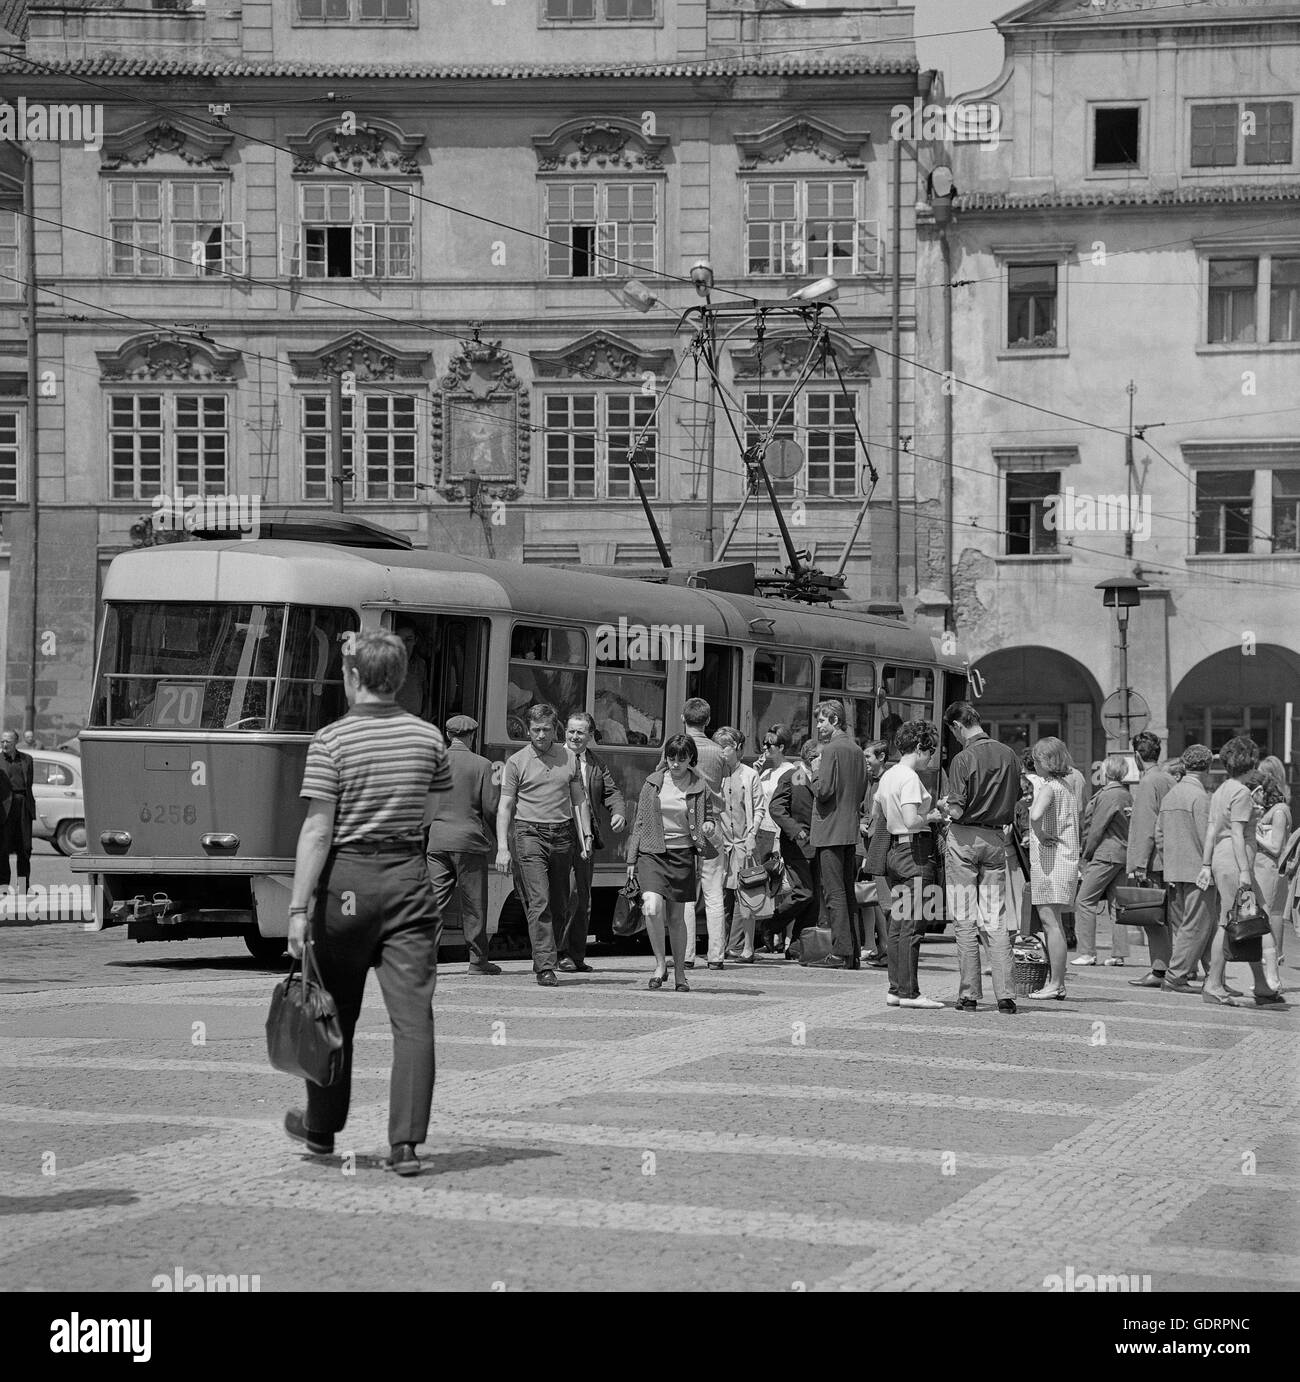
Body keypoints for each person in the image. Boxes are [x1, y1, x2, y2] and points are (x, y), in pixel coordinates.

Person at [284, 630, 451, 1178]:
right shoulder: (428, 739)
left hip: (346, 886)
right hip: (407, 879)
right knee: (413, 1019)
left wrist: (297, 909)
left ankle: (322, 1130)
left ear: (353, 676)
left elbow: (316, 830)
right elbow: (430, 808)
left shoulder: (331, 741)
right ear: (401, 678)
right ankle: (405, 1143)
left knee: (333, 1011)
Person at [495, 703, 591, 988]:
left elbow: (579, 800)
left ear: (554, 729)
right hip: (529, 834)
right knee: (540, 901)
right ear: (528, 729)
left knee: (562, 904)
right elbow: (505, 806)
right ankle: (545, 966)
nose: (540, 734)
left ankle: (549, 951)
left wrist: (585, 835)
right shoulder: (517, 761)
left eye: (546, 729)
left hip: (563, 835)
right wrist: (503, 846)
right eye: (535, 729)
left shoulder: (569, 758)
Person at [941, 702, 1023, 1012]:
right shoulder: (1009, 755)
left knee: (965, 919)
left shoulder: (963, 758)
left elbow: (957, 809)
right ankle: (1005, 995)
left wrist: (942, 807)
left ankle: (969, 994)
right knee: (996, 919)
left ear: (957, 727)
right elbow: (1015, 801)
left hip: (964, 840)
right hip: (995, 840)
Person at [626, 733, 717, 991]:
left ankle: (679, 973)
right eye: (671, 758)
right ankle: (659, 965)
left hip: (683, 854)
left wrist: (708, 825)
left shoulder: (699, 786)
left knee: (677, 918)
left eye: (682, 759)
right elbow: (640, 822)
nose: (675, 764)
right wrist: (631, 858)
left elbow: (708, 816)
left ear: (691, 759)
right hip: (652, 853)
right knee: (652, 906)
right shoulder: (653, 783)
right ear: (665, 758)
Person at [1198, 735, 1284, 1007]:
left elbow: (1212, 830)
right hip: (1237, 862)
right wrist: (1245, 872)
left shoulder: (1222, 789)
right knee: (1236, 920)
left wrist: (1206, 864)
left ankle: (1260, 984)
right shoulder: (1243, 792)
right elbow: (1237, 833)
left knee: (1249, 919)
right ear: (1251, 762)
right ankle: (1214, 983)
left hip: (1223, 859)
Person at [876, 719, 946, 1008]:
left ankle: (896, 988)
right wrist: (932, 816)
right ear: (919, 747)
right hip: (915, 852)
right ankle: (910, 992)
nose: (931, 758)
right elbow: (910, 820)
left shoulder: (889, 775)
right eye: (930, 752)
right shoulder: (910, 778)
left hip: (895, 851)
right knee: (913, 926)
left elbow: (877, 810)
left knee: (898, 924)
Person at [425, 714, 500, 977]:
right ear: (472, 736)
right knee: (473, 904)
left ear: (448, 735)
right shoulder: (484, 766)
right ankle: (478, 962)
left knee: (434, 902)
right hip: (469, 842)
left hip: (437, 841)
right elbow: (491, 809)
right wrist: (500, 840)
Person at [561, 711, 626, 973]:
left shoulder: (596, 763)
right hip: (557, 834)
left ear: (590, 736)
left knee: (581, 895)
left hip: (585, 838)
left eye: (580, 732)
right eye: (571, 731)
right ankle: (558, 952)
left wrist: (618, 811)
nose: (575, 737)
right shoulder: (554, 759)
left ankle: (575, 955)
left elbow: (611, 792)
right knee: (564, 895)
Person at [807, 699, 869, 970]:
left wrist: (815, 771)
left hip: (830, 828)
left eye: (821, 720)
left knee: (834, 893)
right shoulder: (856, 750)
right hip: (849, 828)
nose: (818, 725)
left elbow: (824, 791)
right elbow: (862, 788)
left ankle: (841, 952)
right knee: (847, 892)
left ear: (834, 720)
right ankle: (852, 951)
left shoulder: (831, 749)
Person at [1154, 744, 1217, 994]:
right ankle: (1176, 975)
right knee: (1197, 925)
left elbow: (1158, 834)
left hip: (1175, 868)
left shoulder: (1172, 794)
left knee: (1198, 924)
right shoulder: (1200, 797)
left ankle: (1214, 975)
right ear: (1209, 767)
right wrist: (1209, 865)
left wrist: (1168, 860)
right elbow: (1207, 837)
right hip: (1198, 870)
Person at [1025, 737, 1082, 1000]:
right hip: (1066, 859)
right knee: (1055, 922)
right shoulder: (1066, 786)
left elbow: (1035, 815)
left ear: (1046, 762)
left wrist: (1039, 831)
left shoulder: (1049, 787)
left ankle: (1056, 982)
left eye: (1037, 760)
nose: (1035, 765)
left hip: (1051, 862)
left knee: (1051, 924)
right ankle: (1057, 981)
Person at [1125, 731, 1179, 989]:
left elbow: (1147, 826)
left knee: (1153, 918)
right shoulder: (1168, 778)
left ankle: (1159, 969)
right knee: (1169, 918)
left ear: (1137, 756)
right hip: (1169, 858)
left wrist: (1138, 864)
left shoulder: (1148, 782)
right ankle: (1173, 967)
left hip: (1153, 861)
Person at [680, 697, 728, 967]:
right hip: (714, 824)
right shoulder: (718, 751)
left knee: (687, 892)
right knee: (713, 892)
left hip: (684, 822)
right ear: (708, 721)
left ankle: (686, 956)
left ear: (683, 718)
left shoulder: (675, 746)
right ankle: (716, 956)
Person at [1073, 755, 1134, 966]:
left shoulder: (1109, 795)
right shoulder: (1126, 794)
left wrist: (1085, 854)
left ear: (1105, 772)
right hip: (1122, 854)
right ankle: (1118, 954)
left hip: (1105, 853)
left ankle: (1087, 952)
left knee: (1084, 900)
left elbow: (1096, 827)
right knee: (1117, 906)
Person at [715, 726, 764, 964]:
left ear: (737, 749)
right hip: (722, 843)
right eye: (719, 746)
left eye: (725, 746)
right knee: (721, 896)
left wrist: (753, 834)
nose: (721, 751)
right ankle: (721, 945)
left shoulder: (749, 775)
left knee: (746, 895)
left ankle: (748, 946)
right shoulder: (717, 774)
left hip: (743, 842)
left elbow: (758, 807)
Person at [769, 737, 820, 956]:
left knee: (813, 900)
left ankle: (798, 947)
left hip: (819, 845)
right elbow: (776, 808)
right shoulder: (793, 777)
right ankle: (771, 924)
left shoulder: (822, 779)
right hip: (797, 845)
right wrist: (794, 830)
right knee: (804, 893)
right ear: (811, 758)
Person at [755, 724, 797, 952]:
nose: (764, 747)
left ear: (781, 747)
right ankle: (773, 937)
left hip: (778, 832)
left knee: (785, 886)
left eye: (769, 744)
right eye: (763, 743)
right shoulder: (766, 771)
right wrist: (757, 771)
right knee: (768, 885)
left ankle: (787, 938)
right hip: (763, 831)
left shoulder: (791, 771)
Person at [1247, 769, 1288, 994]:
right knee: (1259, 923)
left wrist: (1253, 834)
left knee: (1265, 923)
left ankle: (1273, 979)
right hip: (1259, 869)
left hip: (1268, 870)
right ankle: (1268, 979)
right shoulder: (1270, 810)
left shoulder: (1280, 811)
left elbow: (1275, 846)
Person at [859, 739, 890, 966]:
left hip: (878, 848)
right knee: (876, 900)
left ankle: (887, 950)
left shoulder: (885, 781)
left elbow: (881, 817)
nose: (865, 761)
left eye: (868, 756)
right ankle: (882, 947)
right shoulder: (870, 781)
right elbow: (865, 810)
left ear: (881, 757)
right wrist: (862, 821)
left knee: (883, 900)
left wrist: (867, 828)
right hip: (870, 846)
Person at [0, 731, 36, 893]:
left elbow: (29, 784)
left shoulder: (27, 759)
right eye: (2, 742)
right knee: (3, 848)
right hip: (4, 808)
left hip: (23, 806)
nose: (4, 745)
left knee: (25, 848)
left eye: (7, 741)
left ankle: (23, 886)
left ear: (16, 742)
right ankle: (3, 886)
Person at [394, 622, 429, 719]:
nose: (404, 645)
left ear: (415, 641)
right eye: (399, 640)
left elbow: (424, 693)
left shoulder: (420, 664)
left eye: (408, 640)